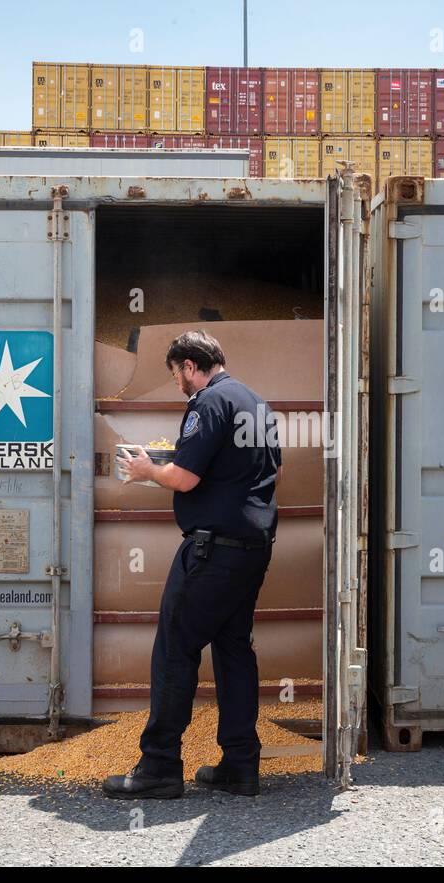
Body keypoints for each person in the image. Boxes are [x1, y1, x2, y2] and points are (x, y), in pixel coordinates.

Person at [104, 330, 280, 799]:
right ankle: (241, 766)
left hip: (213, 551)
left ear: (188, 364)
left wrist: (146, 470)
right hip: (254, 547)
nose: (178, 383)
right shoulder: (258, 405)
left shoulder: (208, 403)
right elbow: (258, 472)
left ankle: (159, 766)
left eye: (175, 374)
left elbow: (185, 477)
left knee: (174, 650)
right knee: (233, 650)